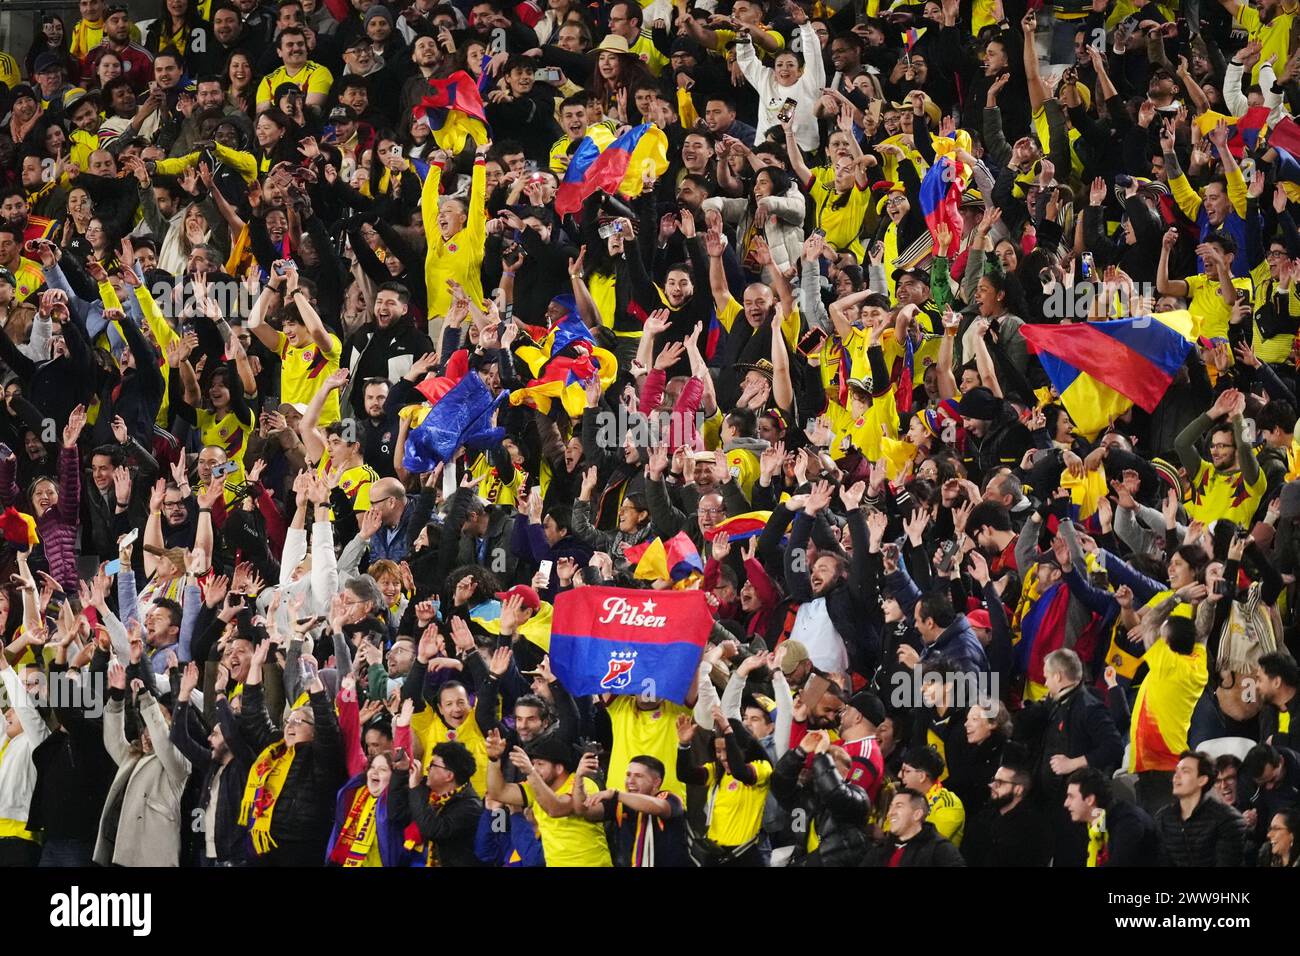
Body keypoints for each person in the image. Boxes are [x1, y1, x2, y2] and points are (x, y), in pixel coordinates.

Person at [1155, 751, 1248, 867]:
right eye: (1176, 771)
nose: (1176, 777)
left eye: (1185, 771)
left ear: (1202, 780)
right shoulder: (1163, 817)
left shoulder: (1228, 819)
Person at [1063, 767, 1159, 868]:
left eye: (1071, 797)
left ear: (1090, 799)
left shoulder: (1128, 823)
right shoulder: (1091, 825)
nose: (1066, 803)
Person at [862, 788, 965, 867]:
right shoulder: (881, 849)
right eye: (890, 807)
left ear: (917, 814)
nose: (890, 813)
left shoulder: (940, 850)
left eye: (899, 806)